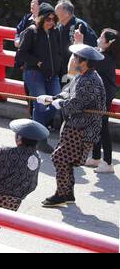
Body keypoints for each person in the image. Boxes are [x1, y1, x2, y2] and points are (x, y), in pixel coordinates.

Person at [41, 44, 108, 207]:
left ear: (84, 61)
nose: (73, 59)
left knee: (60, 158)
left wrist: (60, 104)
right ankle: (67, 193)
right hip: (76, 125)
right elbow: (69, 92)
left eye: (76, 57)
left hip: (83, 129)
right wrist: (53, 97)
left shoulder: (90, 80)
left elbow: (76, 103)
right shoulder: (83, 75)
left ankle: (62, 194)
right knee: (65, 160)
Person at [14, 4, 65, 129]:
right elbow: (21, 53)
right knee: (41, 105)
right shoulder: (32, 31)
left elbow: (59, 52)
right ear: (41, 18)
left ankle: (35, 128)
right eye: (48, 19)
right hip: (34, 73)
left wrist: (60, 70)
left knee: (56, 103)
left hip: (52, 75)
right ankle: (40, 137)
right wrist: (37, 62)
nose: (51, 22)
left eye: (54, 19)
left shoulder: (56, 31)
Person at [85, 28, 116, 174]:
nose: (98, 38)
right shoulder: (103, 55)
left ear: (108, 43)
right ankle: (96, 157)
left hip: (103, 96)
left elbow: (85, 68)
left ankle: (108, 162)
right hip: (99, 95)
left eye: (101, 37)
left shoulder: (104, 58)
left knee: (103, 127)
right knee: (95, 125)